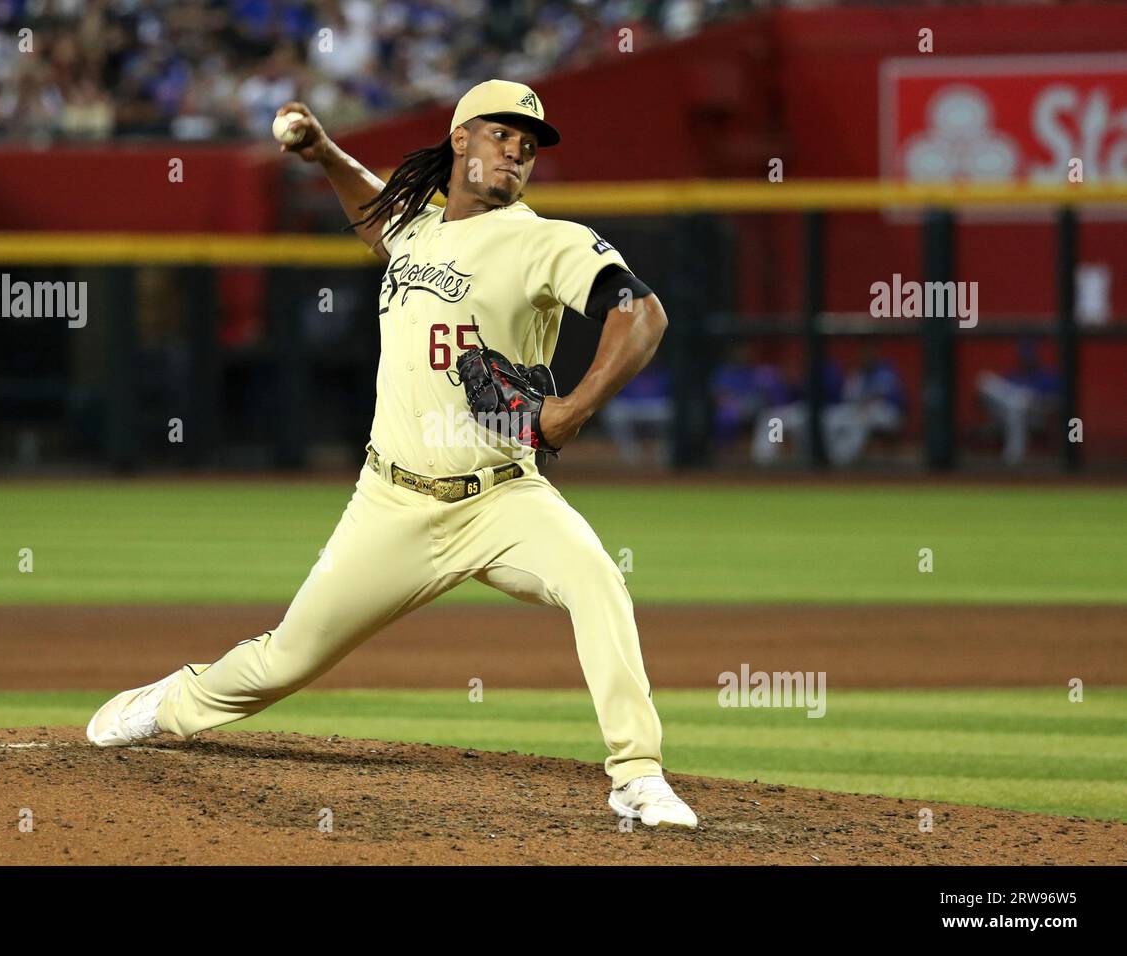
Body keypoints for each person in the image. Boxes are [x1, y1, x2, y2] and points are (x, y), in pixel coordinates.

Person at [85, 80, 698, 829]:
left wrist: (570, 410)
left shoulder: (545, 241)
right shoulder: (417, 228)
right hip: (390, 503)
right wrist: (320, 151)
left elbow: (643, 314)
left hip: (503, 497)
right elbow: (376, 214)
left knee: (597, 579)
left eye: (529, 145)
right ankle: (168, 704)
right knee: (285, 660)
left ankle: (636, 775)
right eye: (503, 133)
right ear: (461, 138)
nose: (518, 151)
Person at [976, 338, 1060, 465]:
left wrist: (1032, 399)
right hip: (1008, 411)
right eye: (1024, 357)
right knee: (985, 379)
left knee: (1018, 403)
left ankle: (1014, 458)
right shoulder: (1015, 374)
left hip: (1035, 414)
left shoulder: (1046, 376)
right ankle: (1014, 457)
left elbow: (1054, 400)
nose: (1026, 360)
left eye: (1029, 357)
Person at [822, 344, 906, 467]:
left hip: (887, 412)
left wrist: (862, 405)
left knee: (861, 422)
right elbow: (848, 397)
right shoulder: (859, 374)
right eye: (864, 355)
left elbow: (879, 396)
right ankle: (833, 456)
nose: (866, 358)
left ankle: (844, 459)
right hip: (860, 411)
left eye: (870, 355)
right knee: (832, 418)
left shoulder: (885, 371)